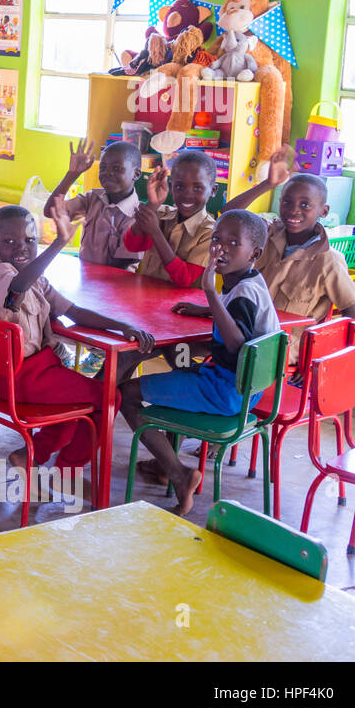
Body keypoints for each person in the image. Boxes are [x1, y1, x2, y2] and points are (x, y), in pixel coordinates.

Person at [0, 203, 153, 492]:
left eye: (30, 240)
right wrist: (59, 244)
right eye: (9, 242)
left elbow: (73, 311)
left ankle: (31, 454)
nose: (21, 247)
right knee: (109, 398)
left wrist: (122, 326)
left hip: (33, 369)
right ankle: (68, 472)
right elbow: (16, 289)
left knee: (87, 383)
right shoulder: (0, 274)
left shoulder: (35, 278)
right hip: (23, 378)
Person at [118, 209, 280, 515]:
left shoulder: (239, 292)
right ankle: (166, 463)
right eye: (217, 240)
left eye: (234, 243)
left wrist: (209, 294)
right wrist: (207, 309)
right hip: (246, 389)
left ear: (255, 253)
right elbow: (239, 321)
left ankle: (180, 474)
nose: (221, 248)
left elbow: (235, 346)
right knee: (174, 356)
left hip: (224, 390)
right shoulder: (250, 281)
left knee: (126, 394)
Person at [222, 148, 355, 346]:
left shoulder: (328, 261)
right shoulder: (267, 234)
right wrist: (269, 184)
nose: (294, 210)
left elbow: (353, 317)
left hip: (284, 354)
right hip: (242, 337)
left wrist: (314, 357)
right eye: (287, 202)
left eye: (305, 205)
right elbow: (230, 215)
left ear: (324, 211)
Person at [123, 151, 218, 287]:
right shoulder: (160, 214)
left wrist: (155, 232)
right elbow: (132, 246)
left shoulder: (211, 233)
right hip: (148, 300)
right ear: (171, 186)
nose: (187, 195)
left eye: (197, 188)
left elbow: (184, 277)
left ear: (213, 190)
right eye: (179, 187)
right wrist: (152, 204)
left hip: (185, 306)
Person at [45, 139, 144, 269]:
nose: (108, 173)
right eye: (102, 168)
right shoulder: (92, 198)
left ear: (136, 174)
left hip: (117, 284)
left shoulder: (139, 216)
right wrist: (72, 175)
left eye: (117, 168)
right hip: (86, 279)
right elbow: (50, 211)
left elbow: (124, 264)